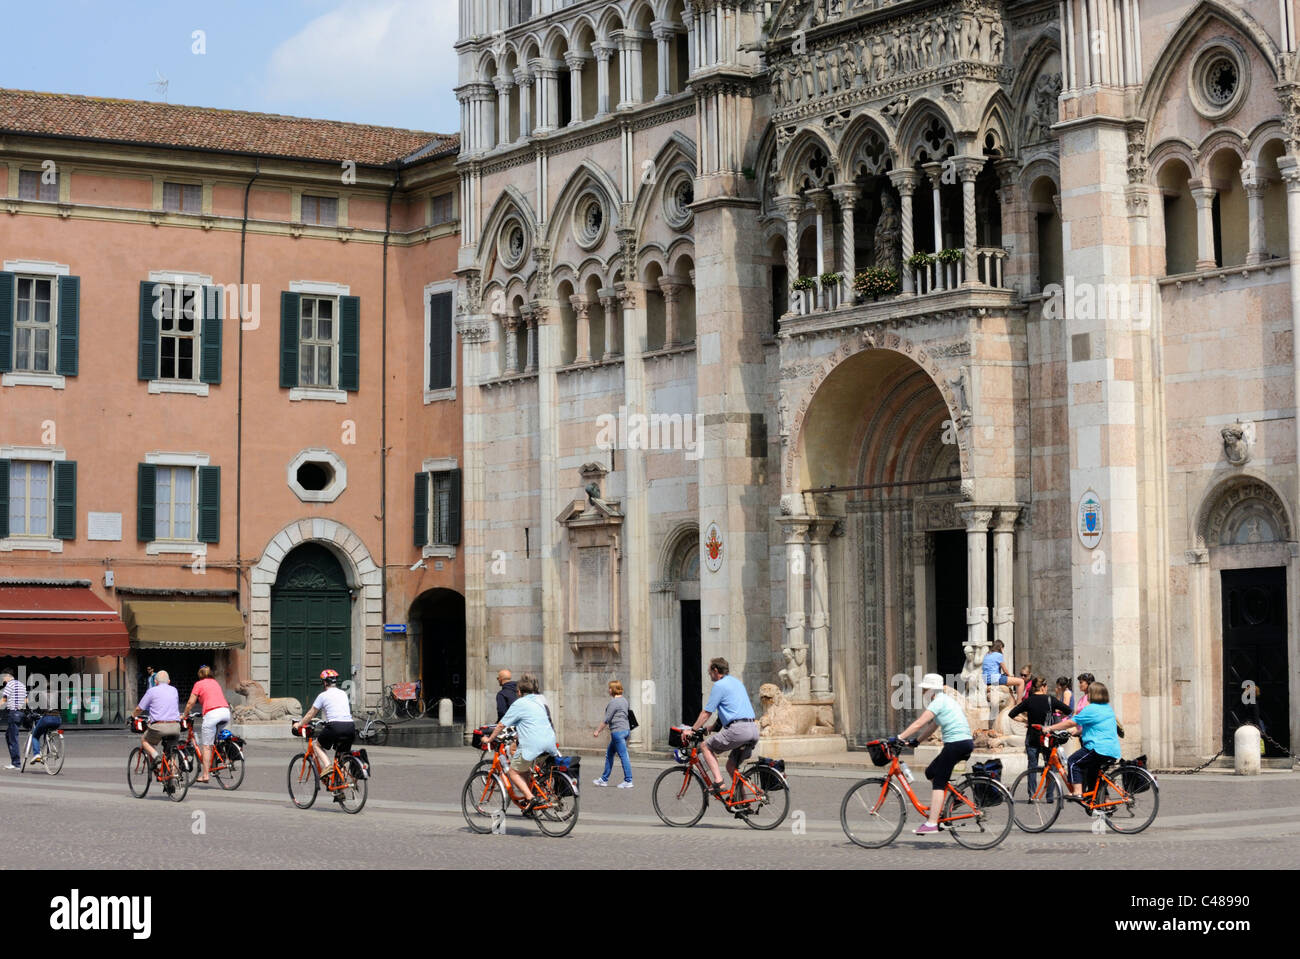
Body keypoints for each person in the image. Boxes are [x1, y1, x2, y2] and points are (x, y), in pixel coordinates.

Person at [896, 672, 974, 835]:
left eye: (925, 689)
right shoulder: (945, 701)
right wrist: (917, 741)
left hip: (956, 744)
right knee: (930, 771)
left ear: (931, 689)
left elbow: (918, 723)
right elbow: (933, 726)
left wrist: (899, 737)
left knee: (939, 780)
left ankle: (932, 823)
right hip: (962, 742)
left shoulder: (938, 702)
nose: (923, 692)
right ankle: (956, 797)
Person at [484, 674, 560, 814]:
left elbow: (501, 724)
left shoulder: (519, 703)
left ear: (519, 692)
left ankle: (531, 798)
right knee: (524, 769)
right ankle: (530, 797)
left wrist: (489, 739)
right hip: (550, 742)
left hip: (533, 744)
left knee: (513, 772)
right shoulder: (540, 699)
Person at [685, 658, 759, 800]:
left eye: (709, 672)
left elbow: (706, 713)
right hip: (753, 729)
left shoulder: (719, 685)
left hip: (738, 730)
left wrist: (692, 730)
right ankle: (743, 802)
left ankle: (719, 782)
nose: (709, 675)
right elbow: (730, 711)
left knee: (705, 746)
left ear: (716, 671)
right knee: (731, 766)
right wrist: (711, 728)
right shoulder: (737, 683)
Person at [1042, 680, 1122, 799]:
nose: (1087, 695)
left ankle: (1077, 791)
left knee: (1073, 762)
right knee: (1093, 773)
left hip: (1098, 748)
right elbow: (1098, 727)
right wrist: (1078, 732)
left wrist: (1050, 728)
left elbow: (1070, 722)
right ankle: (1104, 802)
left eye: (1089, 693)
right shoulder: (1107, 708)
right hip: (1112, 750)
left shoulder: (1091, 708)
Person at [1008, 676, 1071, 793]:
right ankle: (1050, 795)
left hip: (1032, 736)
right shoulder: (1050, 700)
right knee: (1050, 765)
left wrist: (1025, 721)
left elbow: (1012, 714)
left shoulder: (1029, 700)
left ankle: (1032, 795)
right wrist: (1056, 711)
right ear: (1043, 687)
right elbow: (1068, 710)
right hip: (1047, 737)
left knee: (1032, 767)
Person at [294, 669, 356, 782]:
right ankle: (339, 788)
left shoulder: (323, 695)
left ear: (324, 682)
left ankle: (328, 766)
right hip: (350, 727)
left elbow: (310, 714)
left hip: (335, 726)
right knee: (341, 758)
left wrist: (299, 724)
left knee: (316, 745)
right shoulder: (343, 694)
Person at [182, 666, 232, 784]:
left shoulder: (199, 684)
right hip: (225, 712)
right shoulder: (215, 682)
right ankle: (221, 756)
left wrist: (185, 715)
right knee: (215, 738)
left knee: (206, 746)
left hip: (212, 714)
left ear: (200, 674)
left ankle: (205, 775)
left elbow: (190, 703)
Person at [131, 670, 182, 769]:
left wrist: (132, 716)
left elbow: (139, 708)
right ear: (169, 681)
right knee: (171, 752)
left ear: (156, 682)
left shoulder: (152, 691)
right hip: (175, 726)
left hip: (159, 727)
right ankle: (174, 777)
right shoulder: (174, 690)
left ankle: (156, 757)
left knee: (145, 740)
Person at [592, 680, 633, 788]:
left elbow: (606, 719)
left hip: (617, 731)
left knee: (624, 756)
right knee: (609, 754)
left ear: (613, 689)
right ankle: (603, 779)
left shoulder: (613, 702)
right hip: (625, 730)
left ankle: (628, 780)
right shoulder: (624, 700)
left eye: (610, 688)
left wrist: (597, 731)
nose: (608, 689)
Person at [0, 669, 28, 770]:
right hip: (20, 713)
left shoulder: (9, 685)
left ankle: (16, 763)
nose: (3, 679)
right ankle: (15, 761)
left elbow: (4, 699)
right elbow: (26, 700)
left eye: (3, 676)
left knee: (13, 738)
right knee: (9, 735)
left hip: (13, 713)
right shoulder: (21, 684)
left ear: (8, 675)